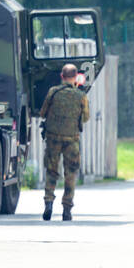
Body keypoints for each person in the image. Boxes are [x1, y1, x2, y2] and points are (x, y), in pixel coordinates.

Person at [40, 63, 89, 221]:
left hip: (53, 138)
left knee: (51, 171)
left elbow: (42, 113)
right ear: (76, 77)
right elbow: (86, 117)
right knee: (70, 174)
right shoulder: (81, 96)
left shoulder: (53, 92)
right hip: (72, 140)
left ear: (62, 76)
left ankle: (48, 203)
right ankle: (67, 209)